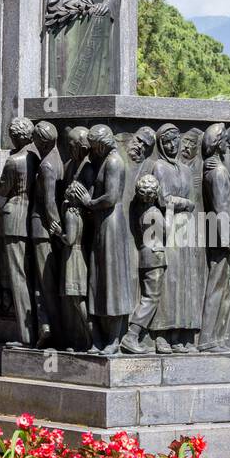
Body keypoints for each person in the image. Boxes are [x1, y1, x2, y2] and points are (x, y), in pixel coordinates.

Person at [66, 124, 133, 355]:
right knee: (98, 280)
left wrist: (88, 202)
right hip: (100, 225)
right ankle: (99, 338)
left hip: (111, 224)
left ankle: (114, 340)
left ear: (103, 145)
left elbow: (111, 197)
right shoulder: (102, 161)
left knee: (112, 282)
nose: (92, 151)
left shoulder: (114, 162)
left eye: (94, 147)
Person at [148, 122, 199, 354]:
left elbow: (193, 200)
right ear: (160, 144)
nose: (171, 146)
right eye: (166, 142)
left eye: (174, 141)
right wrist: (184, 203)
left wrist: (184, 204)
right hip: (167, 227)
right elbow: (163, 199)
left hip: (185, 229)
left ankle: (179, 334)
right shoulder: (159, 167)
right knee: (168, 280)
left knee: (185, 282)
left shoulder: (187, 170)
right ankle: (160, 334)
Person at [0, 117, 38, 346]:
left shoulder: (14, 161)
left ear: (16, 136)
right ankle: (35, 329)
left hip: (14, 217)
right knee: (29, 275)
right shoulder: (36, 158)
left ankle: (25, 336)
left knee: (18, 277)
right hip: (30, 217)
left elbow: (2, 189)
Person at [199, 123, 230, 353]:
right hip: (222, 238)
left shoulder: (216, 168)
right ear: (217, 144)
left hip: (223, 237)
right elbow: (221, 206)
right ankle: (207, 340)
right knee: (217, 287)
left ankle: (218, 338)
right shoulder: (218, 172)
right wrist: (229, 239)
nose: (228, 144)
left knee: (227, 287)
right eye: (224, 140)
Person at [121, 173, 167, 355]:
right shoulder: (154, 213)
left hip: (145, 255)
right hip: (154, 257)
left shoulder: (140, 210)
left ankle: (136, 335)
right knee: (151, 298)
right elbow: (166, 232)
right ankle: (131, 335)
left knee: (149, 296)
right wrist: (169, 211)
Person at [30, 120, 64, 348]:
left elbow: (50, 203)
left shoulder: (47, 166)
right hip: (48, 229)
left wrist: (57, 228)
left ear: (42, 142)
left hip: (42, 228)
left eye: (35, 141)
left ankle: (49, 328)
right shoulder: (59, 159)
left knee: (43, 281)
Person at [59, 126, 93, 351]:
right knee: (74, 300)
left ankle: (89, 338)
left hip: (75, 256)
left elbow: (69, 238)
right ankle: (82, 338)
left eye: (72, 146)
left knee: (77, 299)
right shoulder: (72, 166)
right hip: (76, 253)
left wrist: (57, 233)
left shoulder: (88, 169)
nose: (69, 149)